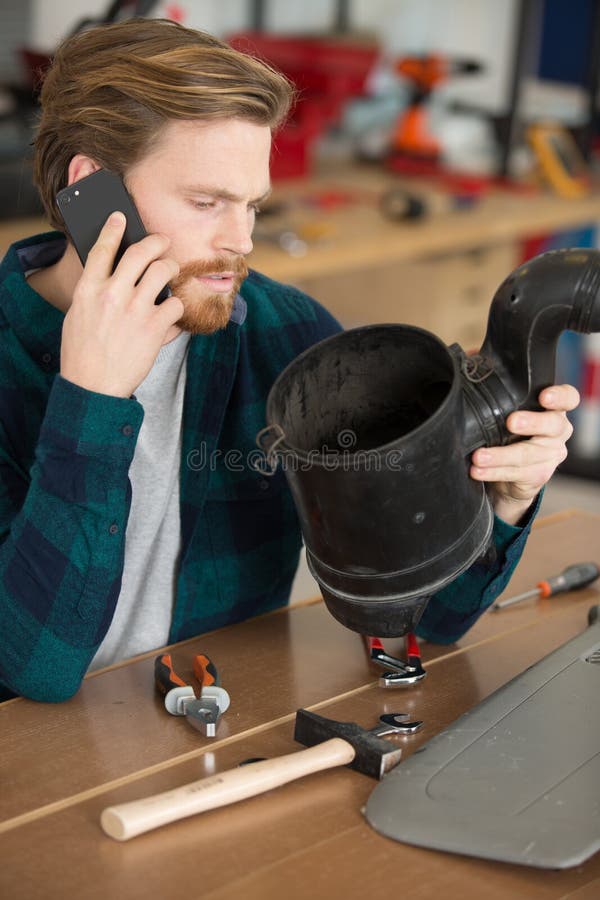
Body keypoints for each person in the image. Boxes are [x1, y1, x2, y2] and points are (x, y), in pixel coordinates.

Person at [0, 19, 578, 703]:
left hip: (208, 731)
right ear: (94, 189)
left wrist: (500, 503)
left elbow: (425, 621)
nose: (240, 241)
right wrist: (91, 401)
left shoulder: (287, 336)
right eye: (206, 202)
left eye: (252, 205)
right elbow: (33, 669)